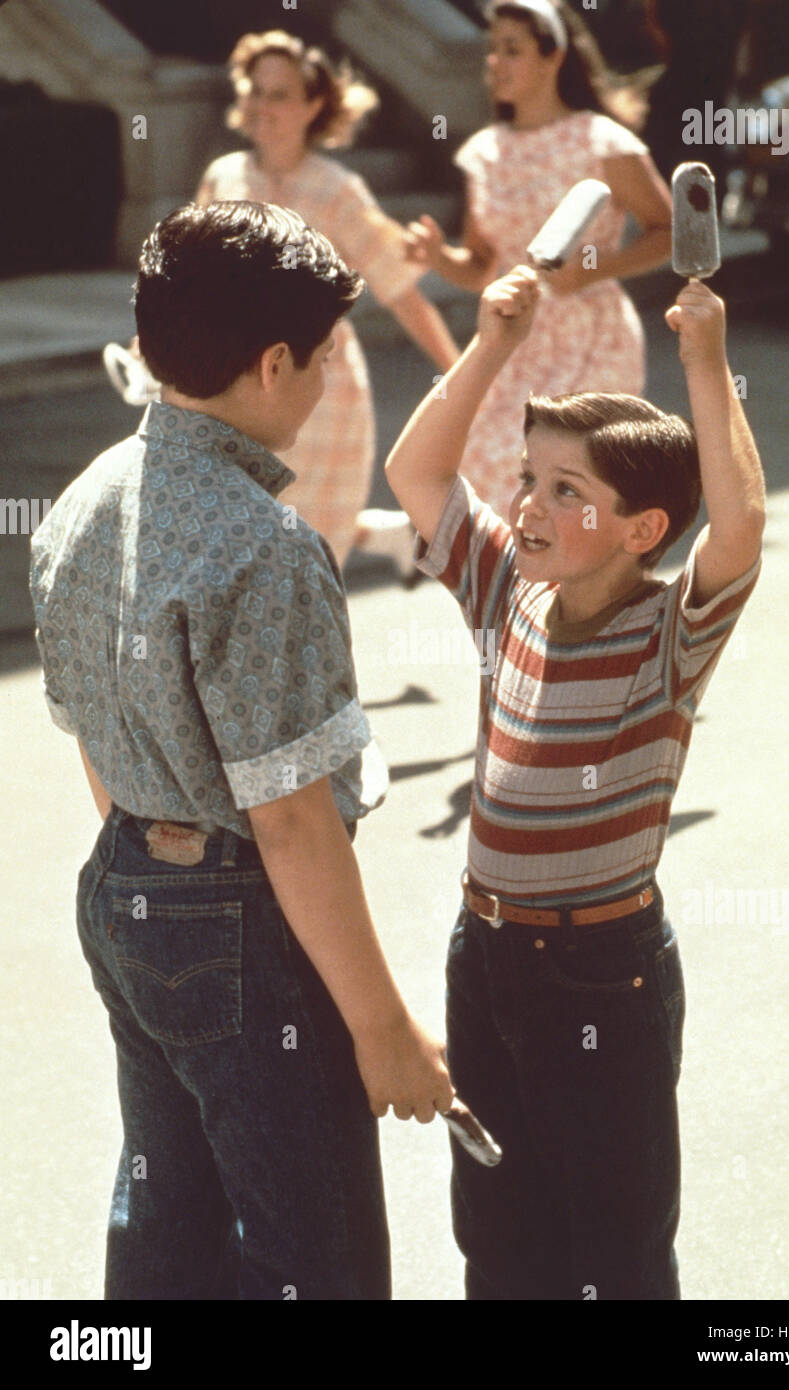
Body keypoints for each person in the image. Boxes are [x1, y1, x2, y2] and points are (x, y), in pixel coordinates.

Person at [30, 200, 453, 1301]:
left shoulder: (78, 506)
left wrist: (155, 871)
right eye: (321, 359)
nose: (324, 384)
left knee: (164, 1225)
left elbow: (98, 750)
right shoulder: (266, 548)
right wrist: (386, 1030)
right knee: (317, 1258)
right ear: (273, 363)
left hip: (122, 883)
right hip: (241, 921)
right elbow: (293, 820)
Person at [385, 262, 765, 1299]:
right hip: (487, 948)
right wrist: (491, 346)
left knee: (615, 1246)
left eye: (568, 491)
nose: (531, 506)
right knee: (498, 1236)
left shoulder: (666, 635)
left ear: (642, 529)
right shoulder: (511, 584)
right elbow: (417, 473)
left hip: (603, 967)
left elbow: (736, 528)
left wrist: (707, 360)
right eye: (528, 480)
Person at [194, 29, 460, 569]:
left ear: (313, 106)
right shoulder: (222, 179)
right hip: (228, 388)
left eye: (280, 93)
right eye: (255, 89)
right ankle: (385, 533)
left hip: (318, 396)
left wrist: (463, 378)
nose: (262, 105)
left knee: (303, 558)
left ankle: (368, 543)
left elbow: (402, 295)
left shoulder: (336, 189)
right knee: (232, 543)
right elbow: (189, 282)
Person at [404, 0, 673, 517]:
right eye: (491, 50)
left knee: (572, 492)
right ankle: (512, 599)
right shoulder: (483, 151)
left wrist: (593, 267)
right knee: (489, 476)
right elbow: (483, 265)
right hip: (512, 341)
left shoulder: (603, 141)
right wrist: (440, 258)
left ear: (553, 58)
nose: (495, 63)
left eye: (513, 50)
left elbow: (669, 234)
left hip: (592, 340)